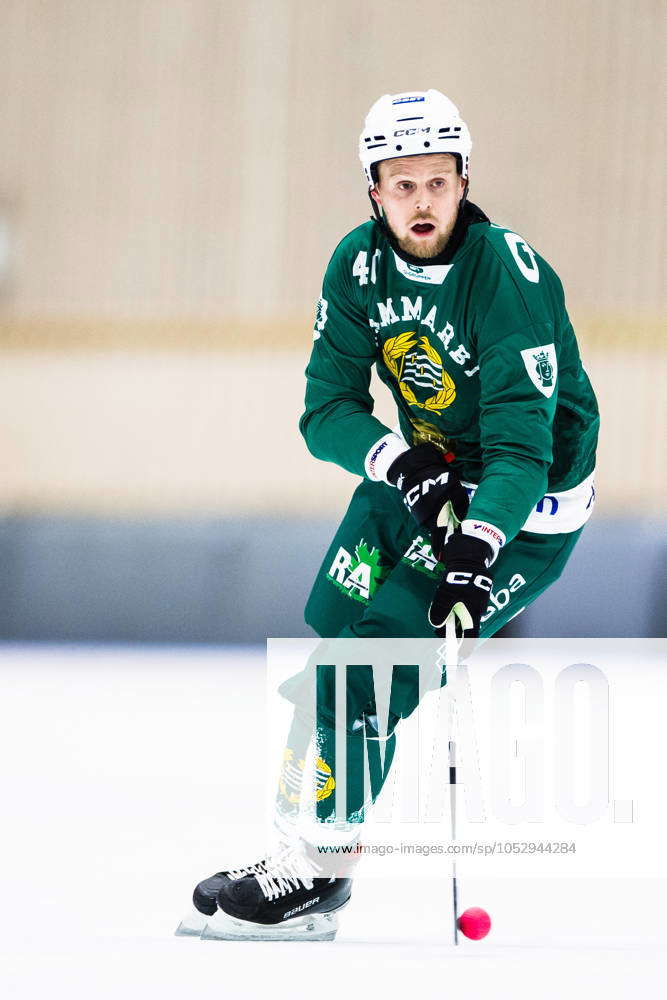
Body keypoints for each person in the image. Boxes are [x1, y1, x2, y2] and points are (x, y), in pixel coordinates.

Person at [177, 89, 599, 942]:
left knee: (363, 676)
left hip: (522, 511)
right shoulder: (356, 265)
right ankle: (306, 848)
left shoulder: (506, 276)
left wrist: (476, 548)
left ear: (463, 181)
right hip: (421, 479)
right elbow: (325, 410)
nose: (420, 203)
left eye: (437, 183)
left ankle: (318, 869)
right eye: (401, 185)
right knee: (324, 650)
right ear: (373, 189)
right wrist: (400, 464)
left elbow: (521, 451)